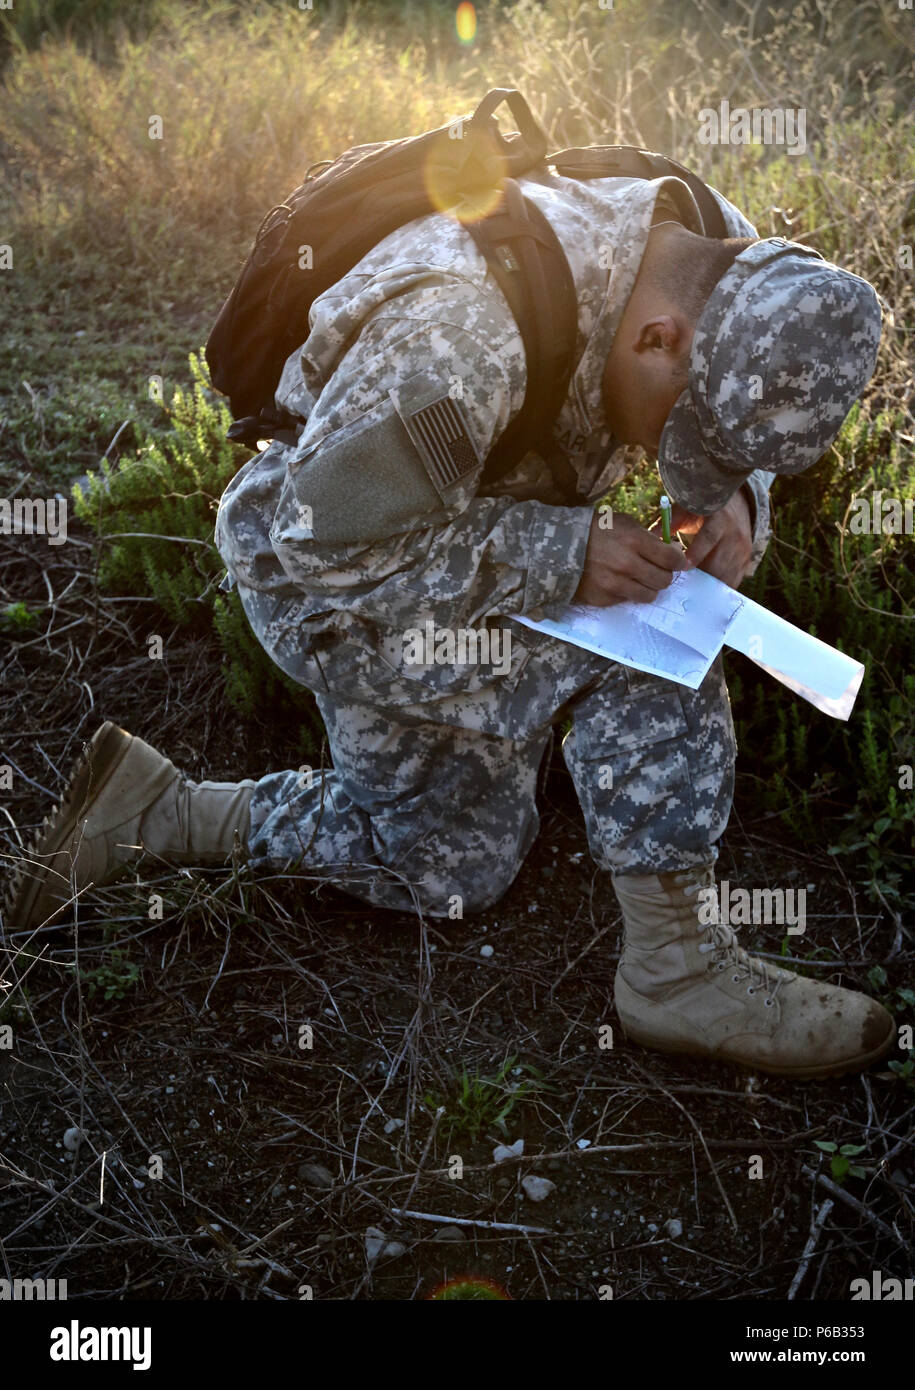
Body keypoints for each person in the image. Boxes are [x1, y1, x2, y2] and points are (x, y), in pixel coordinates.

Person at [6, 166, 892, 1079]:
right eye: (683, 435)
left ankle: (157, 811)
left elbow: (734, 414)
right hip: (338, 585)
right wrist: (556, 555)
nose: (679, 461)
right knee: (658, 645)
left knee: (443, 870)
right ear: (657, 337)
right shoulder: (455, 339)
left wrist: (735, 495)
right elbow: (322, 549)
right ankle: (678, 970)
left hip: (460, 523)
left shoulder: (719, 251)